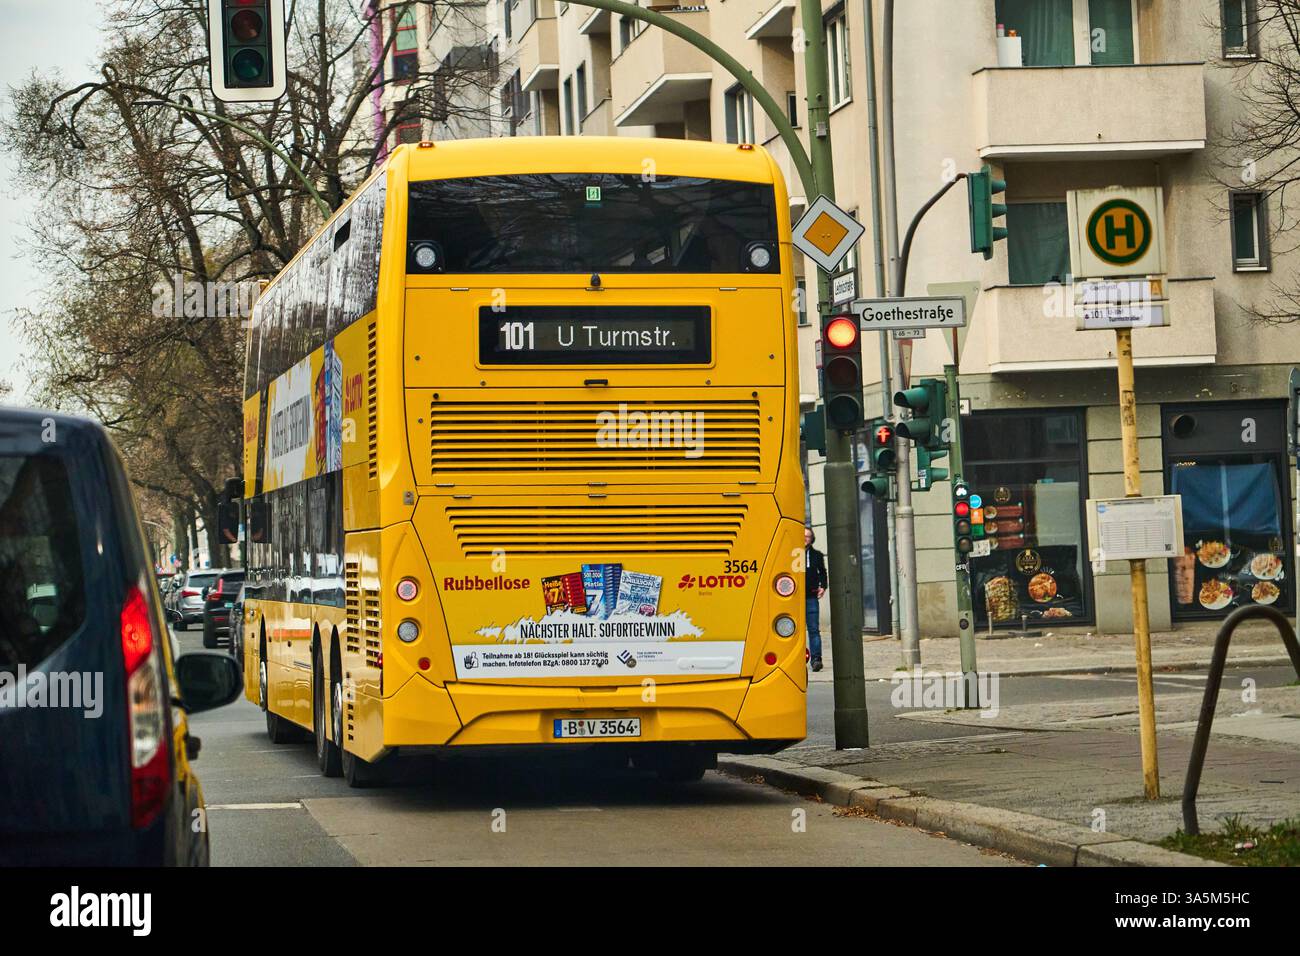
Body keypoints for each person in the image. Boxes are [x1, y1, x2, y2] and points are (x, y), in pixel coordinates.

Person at [804, 526, 827, 671]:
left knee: (813, 629)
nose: (805, 538)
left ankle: (816, 659)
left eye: (807, 536)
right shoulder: (792, 554)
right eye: (803, 535)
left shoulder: (817, 555)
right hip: (794, 599)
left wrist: (823, 586)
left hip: (811, 597)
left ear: (812, 539)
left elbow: (823, 573)